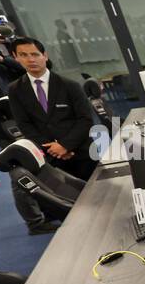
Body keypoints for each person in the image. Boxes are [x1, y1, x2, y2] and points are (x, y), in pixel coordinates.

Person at [6, 37, 97, 181]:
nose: (30, 60)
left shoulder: (70, 85)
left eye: (35, 54)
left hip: (81, 153)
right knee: (67, 199)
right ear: (16, 58)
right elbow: (24, 124)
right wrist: (53, 149)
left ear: (45, 56)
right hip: (50, 158)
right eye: (23, 55)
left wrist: (65, 146)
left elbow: (85, 120)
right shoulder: (15, 89)